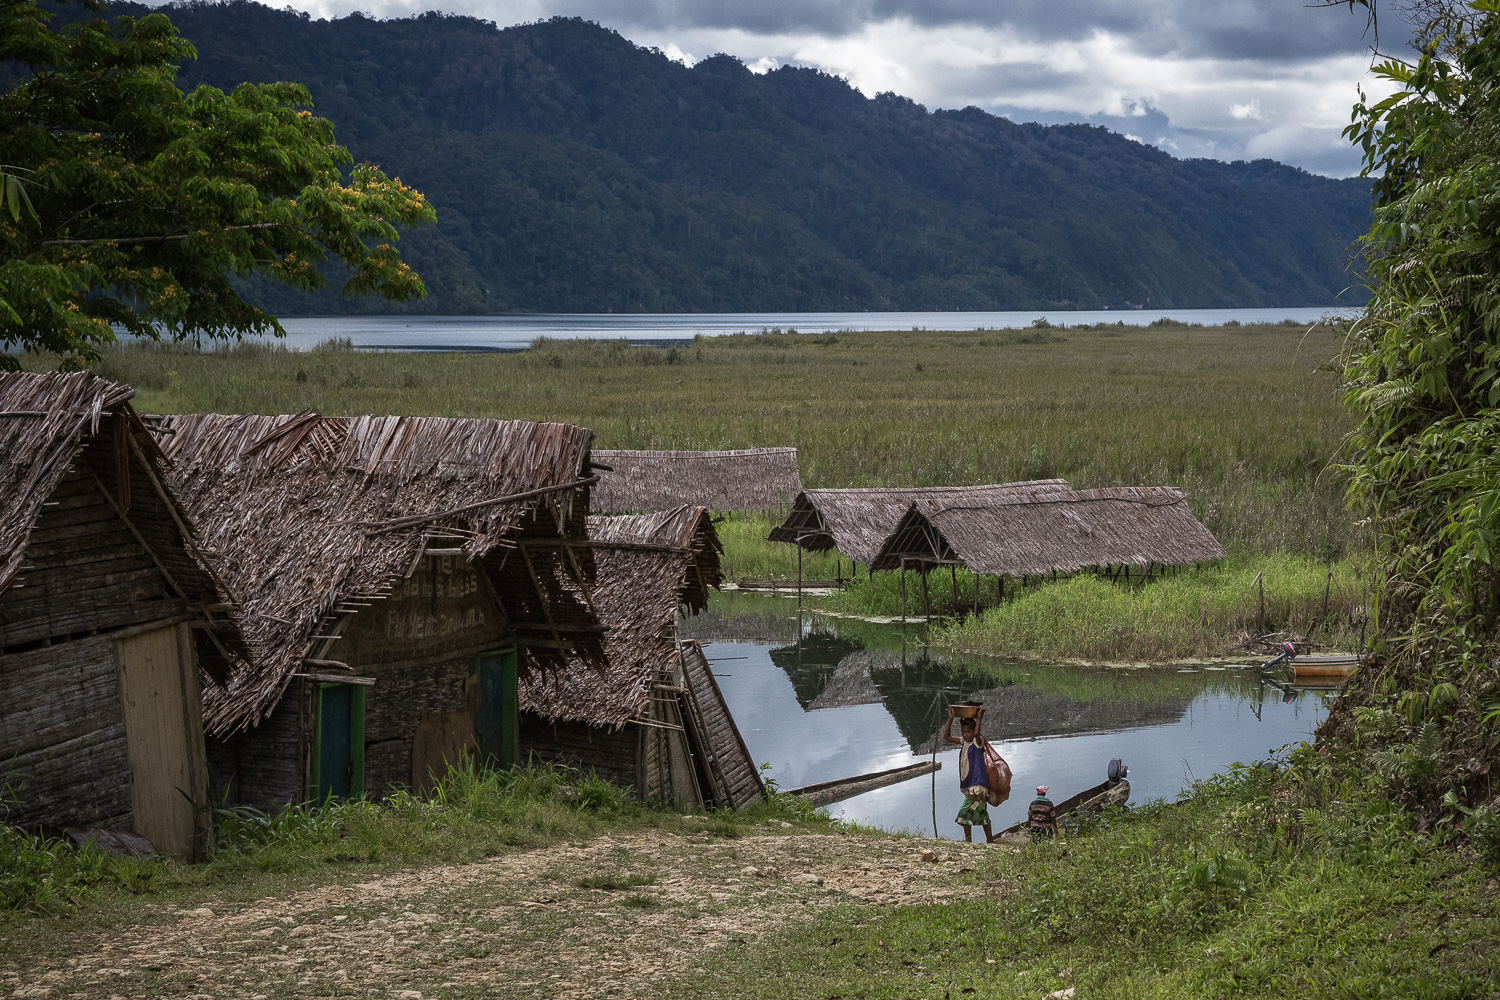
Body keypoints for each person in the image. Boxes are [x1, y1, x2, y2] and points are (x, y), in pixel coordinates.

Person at [942, 704, 995, 843]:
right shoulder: (964, 742)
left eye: (968, 732)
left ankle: (968, 840)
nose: (966, 735)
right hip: (973, 785)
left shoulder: (978, 742)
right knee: (982, 813)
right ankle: (989, 840)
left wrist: (979, 719)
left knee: (964, 812)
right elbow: (946, 736)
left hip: (978, 786)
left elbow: (977, 734)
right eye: (963, 732)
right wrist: (951, 718)